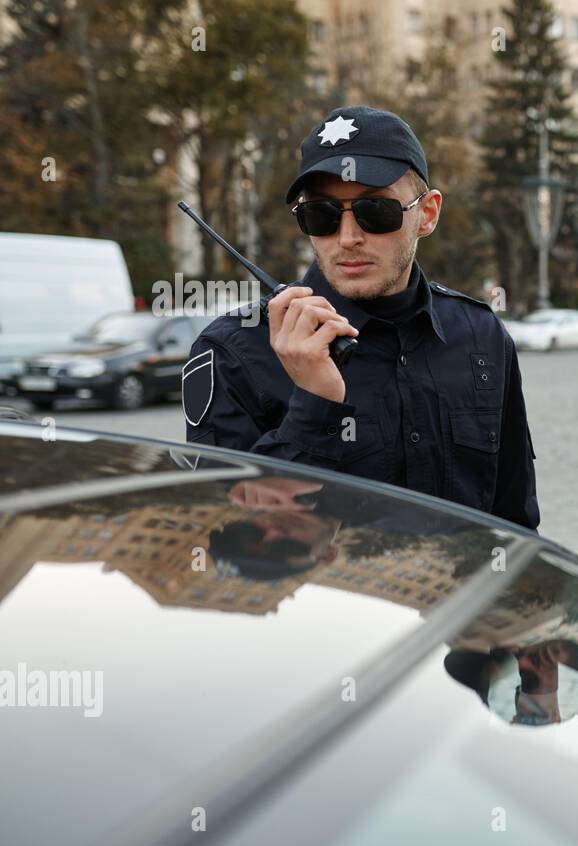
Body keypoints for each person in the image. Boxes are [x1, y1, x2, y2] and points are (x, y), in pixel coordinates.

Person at [183, 105, 538, 531]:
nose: (348, 238)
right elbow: (232, 542)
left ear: (427, 214)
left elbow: (515, 525)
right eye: (322, 215)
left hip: (462, 597)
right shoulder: (235, 351)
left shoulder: (480, 335)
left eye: (376, 211)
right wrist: (314, 404)